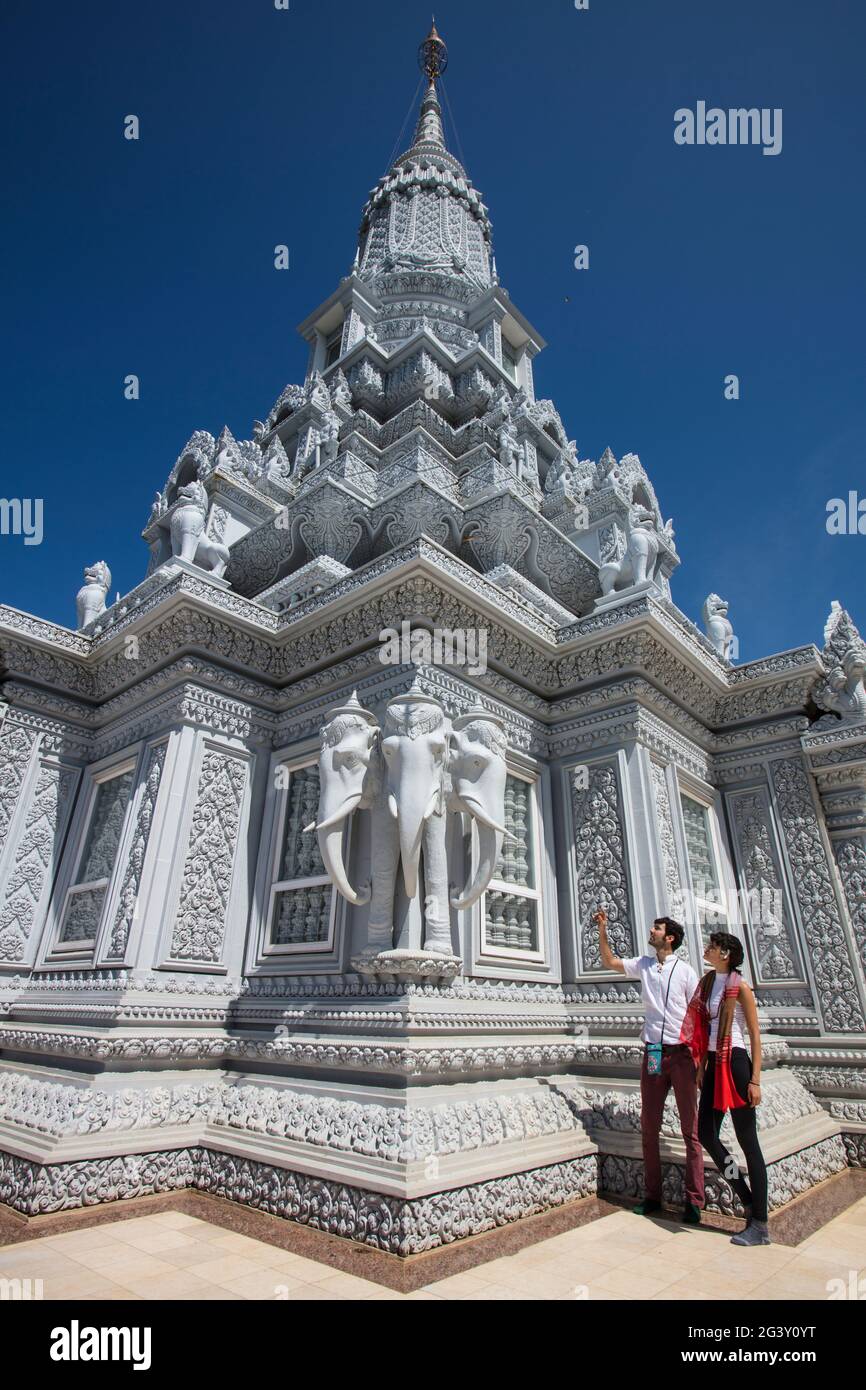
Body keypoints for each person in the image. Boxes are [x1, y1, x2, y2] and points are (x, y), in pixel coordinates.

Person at [595, 909, 704, 1223]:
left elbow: (696, 1013)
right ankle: (653, 1195)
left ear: (669, 937)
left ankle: (694, 1200)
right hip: (654, 1052)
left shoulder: (685, 971)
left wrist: (699, 1061)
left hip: (681, 1055)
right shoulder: (643, 965)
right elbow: (609, 962)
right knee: (649, 1127)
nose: (652, 932)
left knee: (689, 1130)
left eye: (657, 929)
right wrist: (603, 930)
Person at [681, 930, 770, 1246]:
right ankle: (746, 1197)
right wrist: (702, 1066)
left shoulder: (740, 987)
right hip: (713, 1063)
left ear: (726, 955)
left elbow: (755, 1035)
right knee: (706, 1133)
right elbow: (702, 1026)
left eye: (713, 946)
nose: (707, 948)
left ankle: (760, 1224)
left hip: (735, 1062)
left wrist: (755, 1079)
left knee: (748, 1140)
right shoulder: (707, 983)